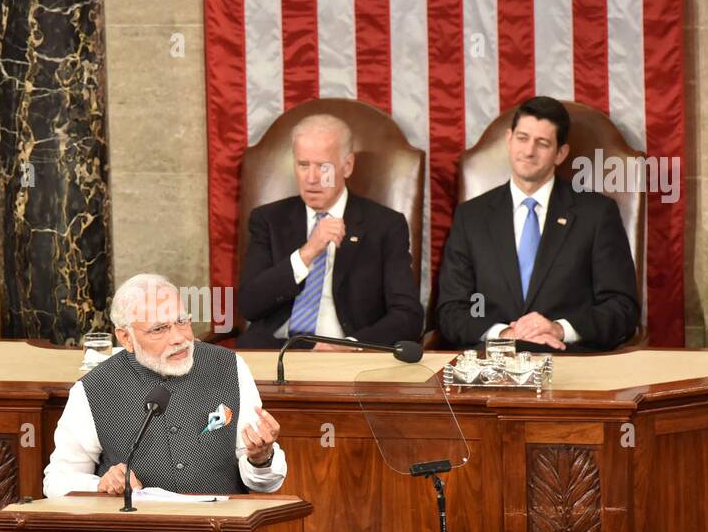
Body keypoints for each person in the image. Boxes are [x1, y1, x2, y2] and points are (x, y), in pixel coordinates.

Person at [43, 273, 286, 497]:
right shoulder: (93, 389)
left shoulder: (229, 367)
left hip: (223, 531)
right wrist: (99, 484)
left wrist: (261, 458)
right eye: (159, 329)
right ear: (126, 337)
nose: (179, 338)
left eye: (182, 322)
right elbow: (56, 482)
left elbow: (265, 483)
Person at [435, 96, 639, 352]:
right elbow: (451, 310)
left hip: (571, 366)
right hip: (493, 365)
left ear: (560, 153)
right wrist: (508, 334)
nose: (529, 151)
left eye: (542, 143)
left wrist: (559, 329)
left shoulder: (596, 214)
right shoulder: (471, 217)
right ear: (509, 140)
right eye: (522, 138)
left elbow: (622, 308)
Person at [235, 113, 423, 350]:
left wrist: (352, 345)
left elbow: (408, 316)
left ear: (347, 166)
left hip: (349, 356)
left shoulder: (385, 225)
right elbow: (249, 305)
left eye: (323, 167)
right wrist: (307, 252)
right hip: (281, 351)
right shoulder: (268, 220)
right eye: (303, 165)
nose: (312, 179)